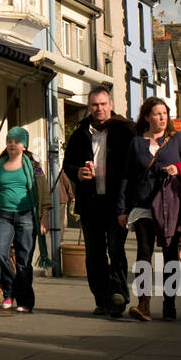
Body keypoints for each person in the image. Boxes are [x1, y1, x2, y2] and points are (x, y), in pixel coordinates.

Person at [118, 97, 181, 321]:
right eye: (157, 114)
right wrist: (121, 209)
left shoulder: (176, 140)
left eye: (165, 113)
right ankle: (143, 303)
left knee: (171, 256)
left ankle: (169, 303)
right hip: (143, 205)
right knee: (144, 254)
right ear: (147, 117)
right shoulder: (136, 143)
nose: (162, 118)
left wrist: (178, 168)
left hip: (170, 206)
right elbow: (126, 176)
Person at [61, 85, 137, 317]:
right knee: (94, 254)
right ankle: (102, 299)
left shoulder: (125, 130)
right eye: (95, 105)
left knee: (116, 250)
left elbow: (135, 164)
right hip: (90, 203)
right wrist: (77, 173)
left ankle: (118, 297)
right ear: (89, 107)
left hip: (117, 204)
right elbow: (68, 164)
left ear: (110, 105)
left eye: (103, 104)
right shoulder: (80, 132)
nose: (99, 108)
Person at [0, 127, 51, 312]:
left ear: (24, 146)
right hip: (2, 216)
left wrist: (45, 216)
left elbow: (43, 191)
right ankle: (10, 291)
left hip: (26, 215)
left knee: (23, 260)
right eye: (10, 141)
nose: (12, 144)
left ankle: (25, 301)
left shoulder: (34, 168)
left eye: (16, 141)